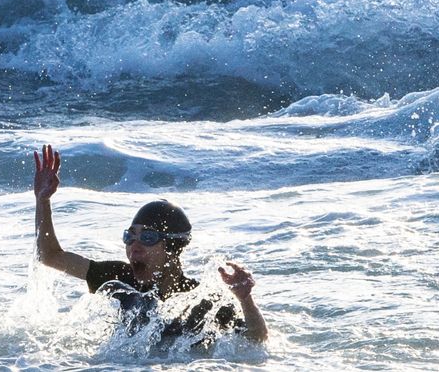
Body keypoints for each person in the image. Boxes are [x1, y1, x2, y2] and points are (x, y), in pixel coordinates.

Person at [31, 143, 269, 346]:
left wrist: (245, 299)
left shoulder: (201, 300)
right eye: (130, 237)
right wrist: (42, 201)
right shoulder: (118, 279)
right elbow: (50, 256)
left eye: (147, 238)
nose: (134, 246)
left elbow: (255, 339)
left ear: (173, 248)